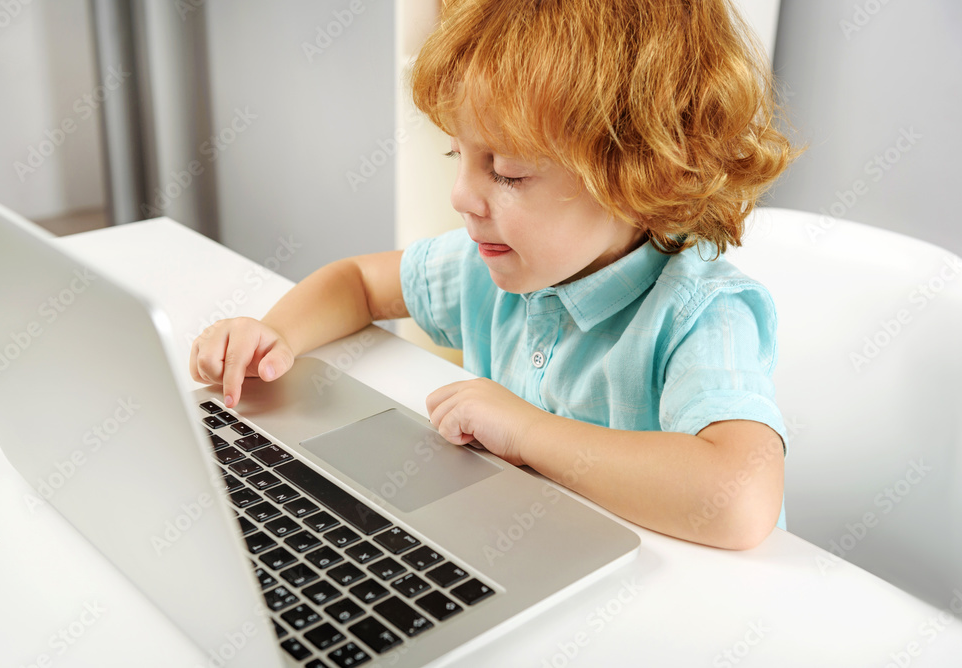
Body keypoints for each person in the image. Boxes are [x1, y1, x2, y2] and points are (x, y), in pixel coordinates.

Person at [191, 0, 798, 550]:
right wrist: (274, 335)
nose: (462, 196)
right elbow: (356, 282)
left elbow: (739, 500)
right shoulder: (490, 261)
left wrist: (528, 431)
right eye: (459, 156)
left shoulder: (702, 313)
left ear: (642, 178)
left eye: (506, 172)